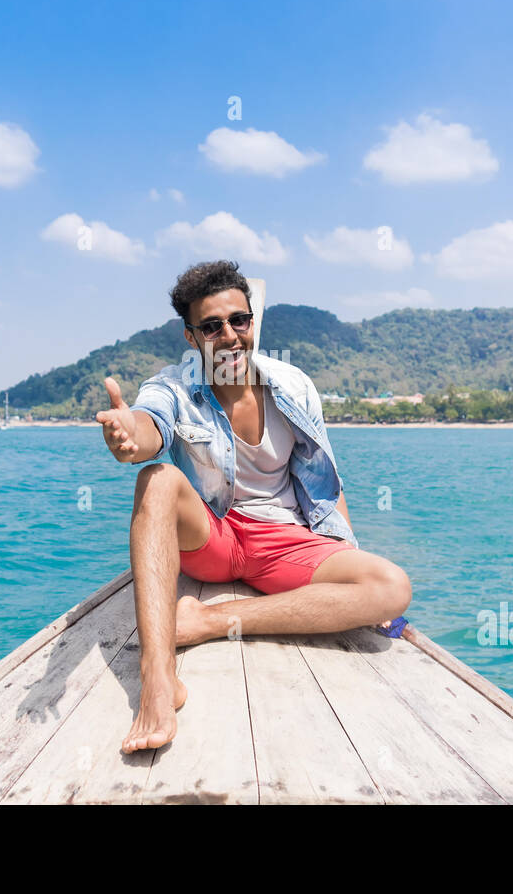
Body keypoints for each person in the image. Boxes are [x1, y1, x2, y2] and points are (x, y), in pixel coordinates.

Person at [95, 260, 411, 754]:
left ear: (252, 322)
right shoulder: (172, 387)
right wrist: (129, 436)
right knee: (155, 479)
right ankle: (157, 679)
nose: (229, 336)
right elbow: (148, 423)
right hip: (212, 535)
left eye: (239, 320)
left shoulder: (294, 386)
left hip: (281, 540)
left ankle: (207, 621)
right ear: (191, 336)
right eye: (211, 326)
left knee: (391, 586)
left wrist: (350, 563)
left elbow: (325, 485)